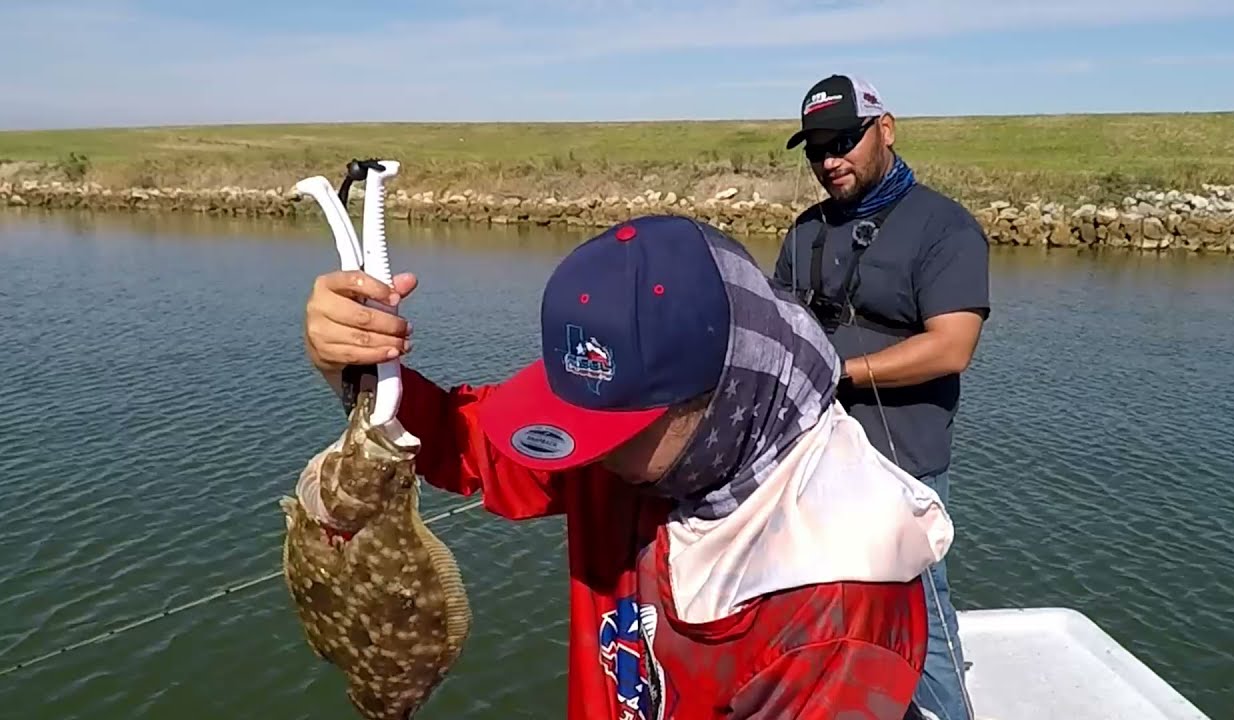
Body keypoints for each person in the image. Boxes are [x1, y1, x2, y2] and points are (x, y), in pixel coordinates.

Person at [303, 213, 955, 719]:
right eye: (573, 418)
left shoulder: (840, 609)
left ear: (724, 400)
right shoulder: (629, 451)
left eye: (612, 430)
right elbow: (463, 440)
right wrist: (362, 371)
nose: (582, 452)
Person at [773, 74, 991, 720]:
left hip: (904, 469)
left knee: (921, 615)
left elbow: (953, 346)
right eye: (816, 149)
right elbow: (775, 331)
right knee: (817, 607)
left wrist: (841, 372)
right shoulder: (804, 232)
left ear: (885, 129)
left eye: (843, 141)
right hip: (813, 465)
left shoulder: (944, 228)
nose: (830, 161)